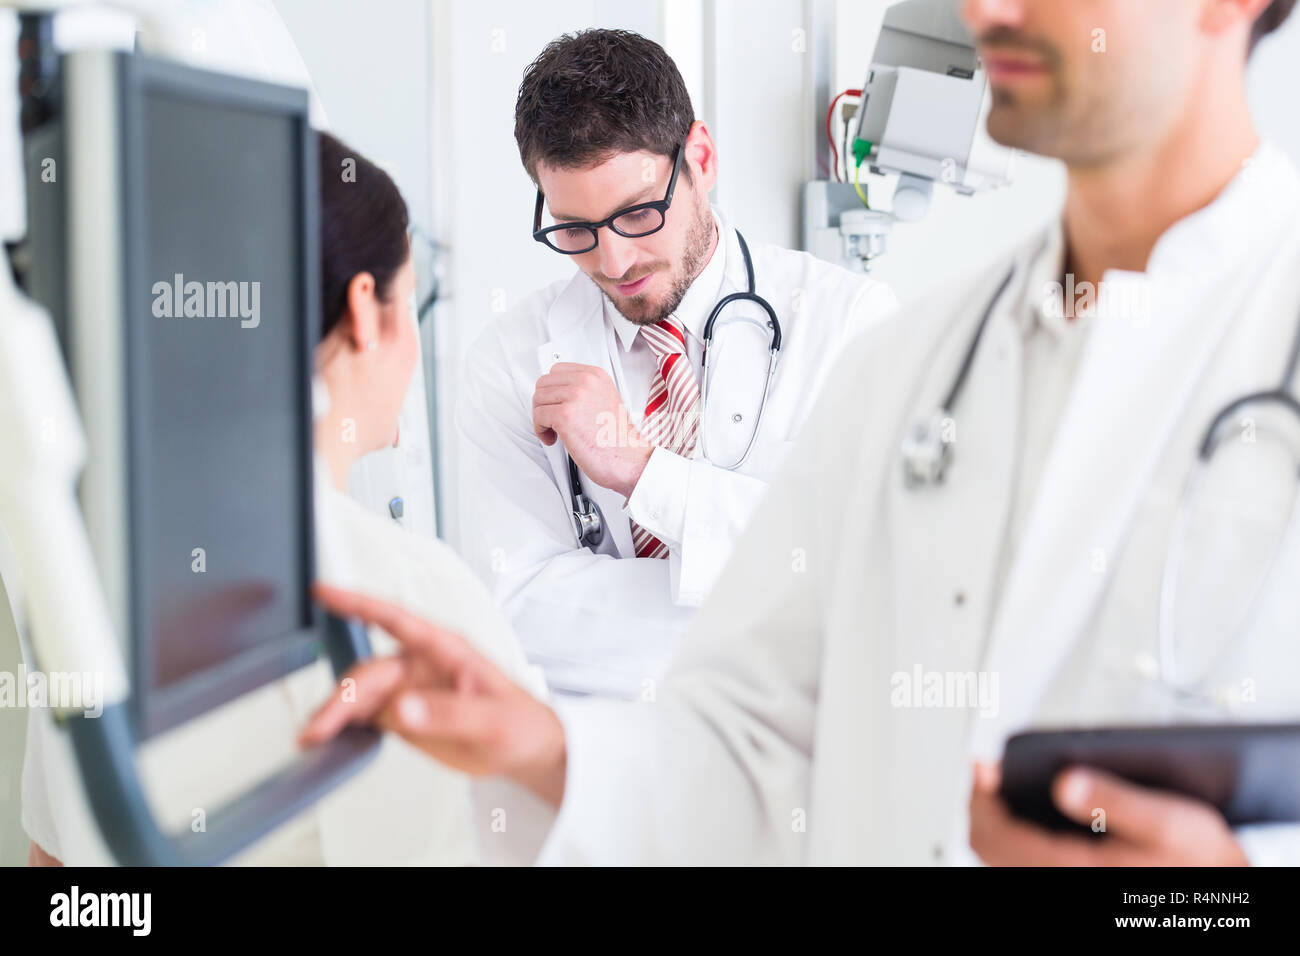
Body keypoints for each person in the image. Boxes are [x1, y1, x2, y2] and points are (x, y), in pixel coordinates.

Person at [302, 0, 1300, 866]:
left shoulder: (850, 326)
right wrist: (543, 743)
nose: (984, 12)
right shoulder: (911, 363)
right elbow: (748, 740)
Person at [22, 132, 544, 866]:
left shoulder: (85, 570)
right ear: (366, 309)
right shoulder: (410, 600)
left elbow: (57, 864)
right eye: (408, 294)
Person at [456, 29, 899, 699]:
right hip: (608, 770)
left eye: (636, 214)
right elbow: (518, 612)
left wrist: (643, 473)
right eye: (574, 230)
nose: (613, 263)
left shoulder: (849, 324)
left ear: (701, 156)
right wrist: (782, 627)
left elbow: (869, 577)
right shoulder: (509, 362)